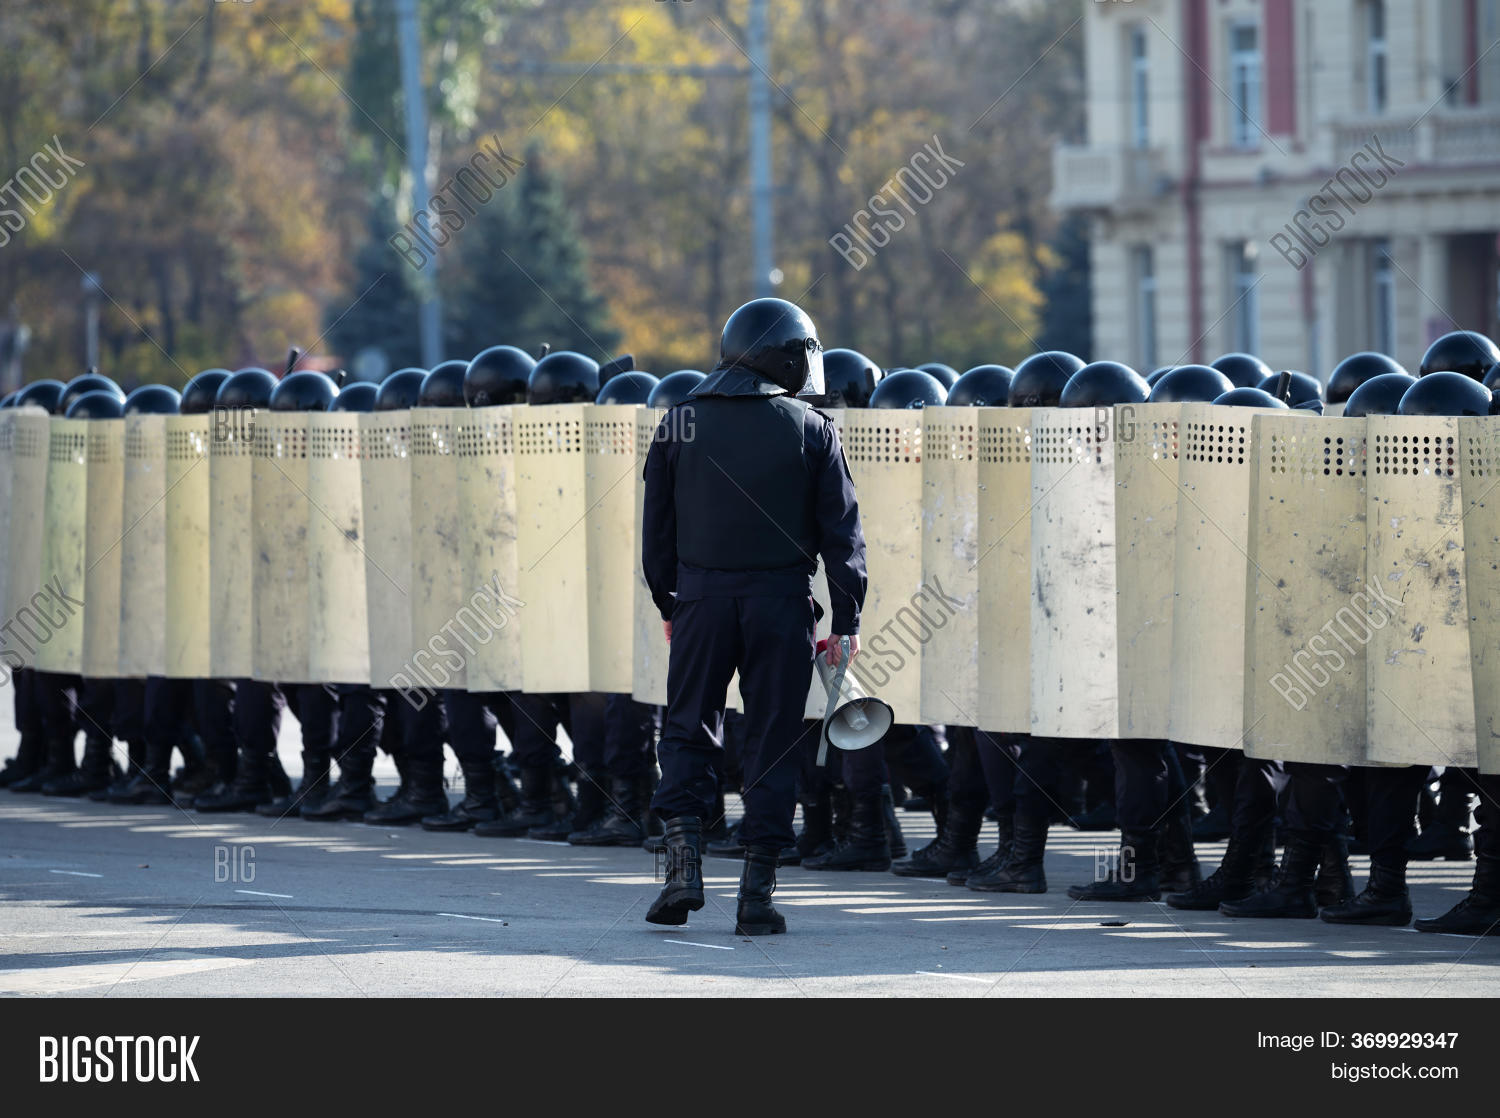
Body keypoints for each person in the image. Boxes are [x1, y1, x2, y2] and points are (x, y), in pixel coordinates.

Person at [642, 297, 866, 935]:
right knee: (772, 741)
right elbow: (843, 537)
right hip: (781, 603)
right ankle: (756, 895)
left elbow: (656, 535)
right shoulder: (811, 426)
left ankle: (683, 871)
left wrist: (670, 604)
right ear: (791, 357)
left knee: (687, 730)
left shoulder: (679, 422)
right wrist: (845, 619)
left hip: (700, 601)